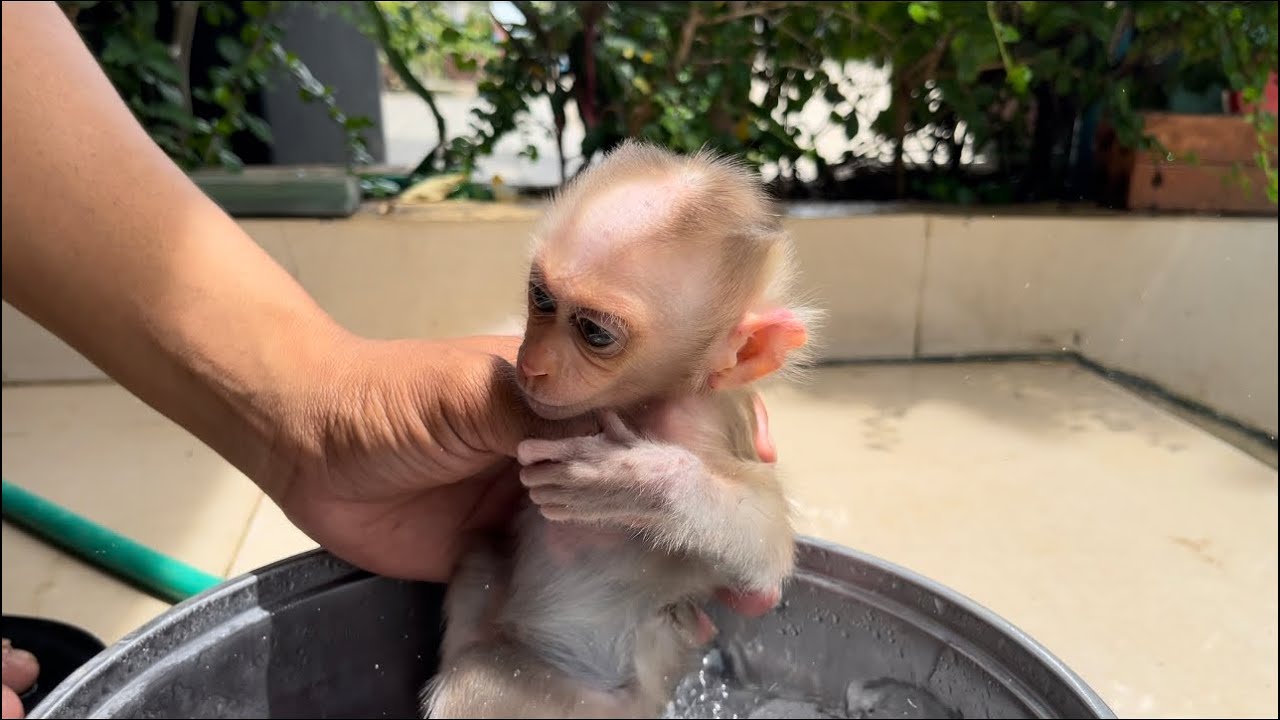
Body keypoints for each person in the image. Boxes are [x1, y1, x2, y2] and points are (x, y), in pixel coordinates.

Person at [0, 3, 780, 717]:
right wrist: (328, 412)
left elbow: (764, 561)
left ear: (740, 352)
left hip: (615, 683)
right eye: (541, 297)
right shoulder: (556, 378)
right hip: (496, 655)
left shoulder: (705, 424)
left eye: (597, 332)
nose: (533, 358)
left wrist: (683, 487)